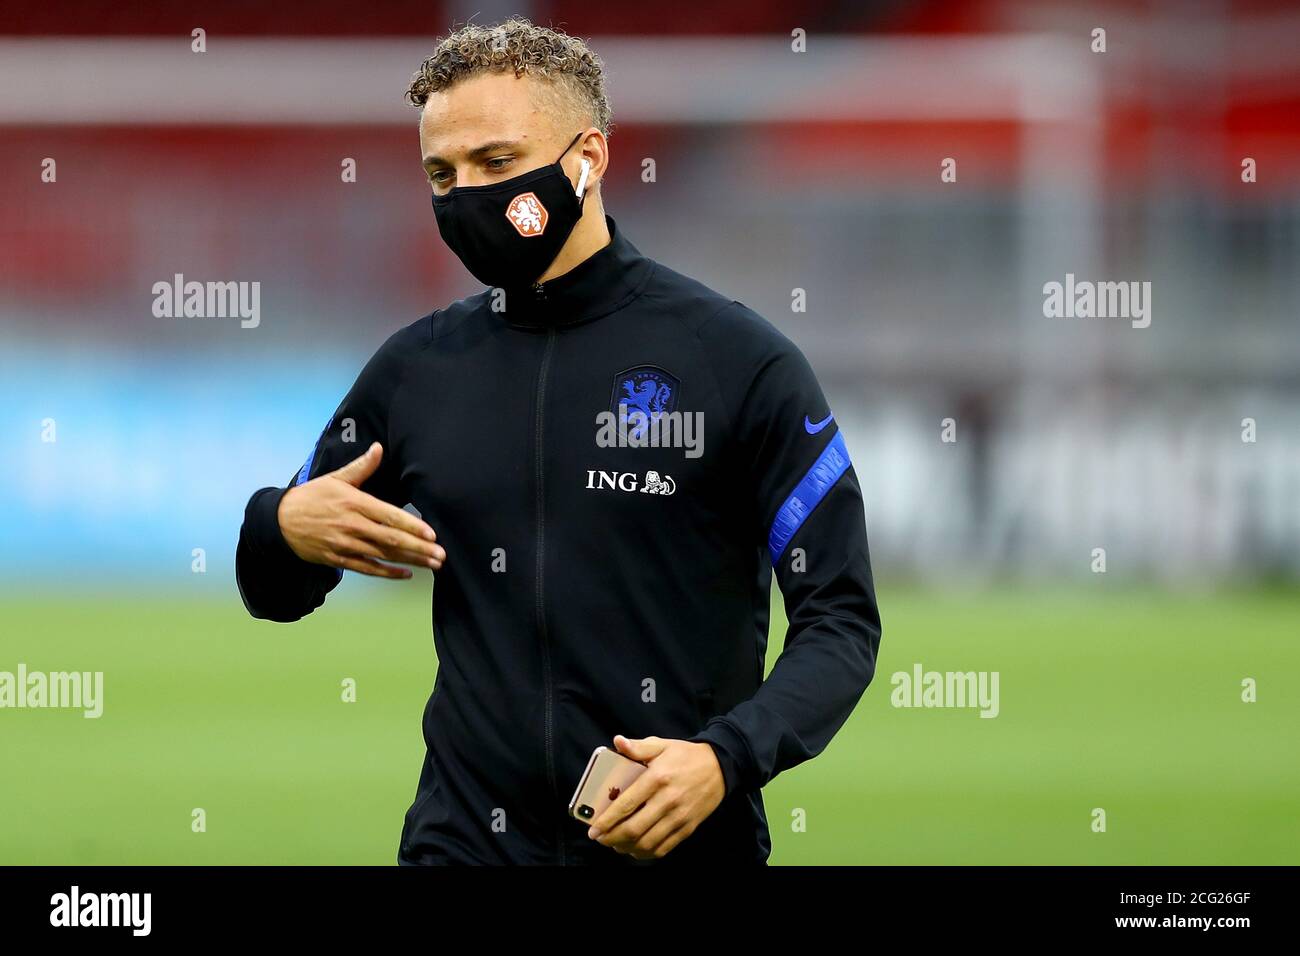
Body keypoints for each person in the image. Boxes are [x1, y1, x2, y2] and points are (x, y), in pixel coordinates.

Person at [235, 17, 882, 866]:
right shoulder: (416, 369)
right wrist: (281, 525)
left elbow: (841, 623)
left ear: (588, 157)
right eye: (441, 173)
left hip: (674, 850)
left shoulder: (737, 362)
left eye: (496, 164)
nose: (465, 195)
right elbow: (273, 590)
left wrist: (726, 760)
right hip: (459, 846)